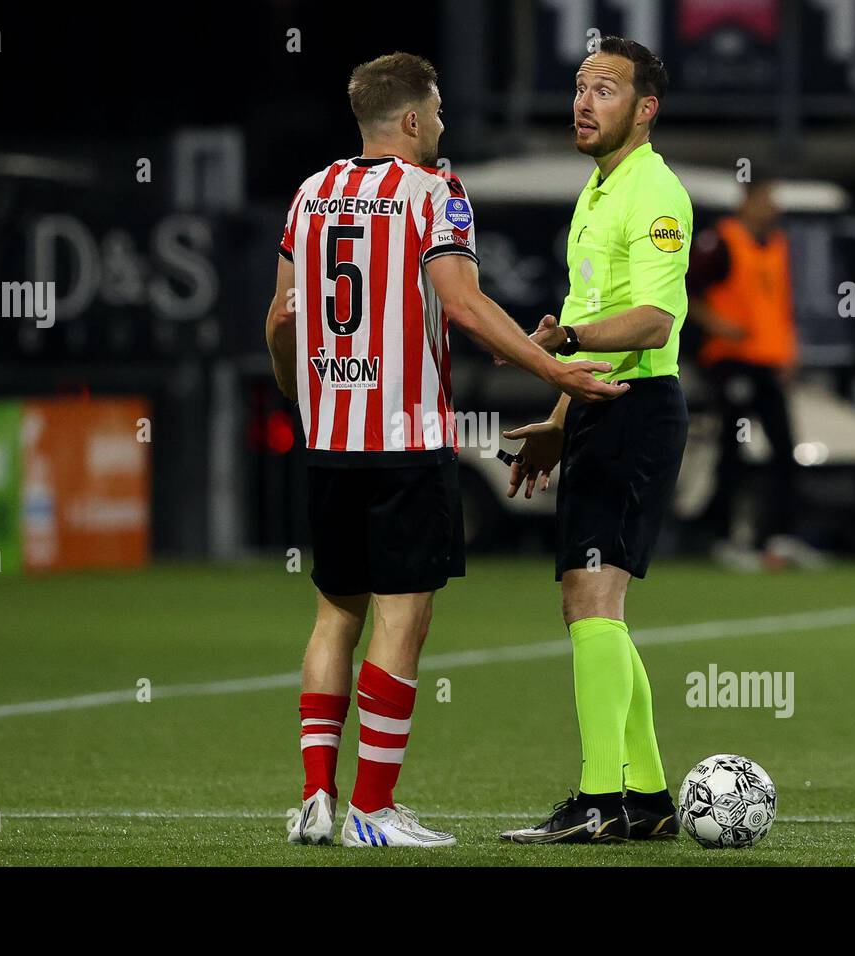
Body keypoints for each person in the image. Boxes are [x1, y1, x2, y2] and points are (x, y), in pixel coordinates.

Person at [265, 52, 622, 849]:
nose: (444, 128)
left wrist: (302, 394)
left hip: (328, 441)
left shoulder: (310, 193)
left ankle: (316, 798)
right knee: (404, 617)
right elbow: (460, 302)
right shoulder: (435, 193)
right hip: (405, 440)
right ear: (414, 120)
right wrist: (549, 367)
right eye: (438, 113)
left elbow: (279, 323)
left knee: (334, 615)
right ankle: (371, 811)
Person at [499, 37, 691, 844]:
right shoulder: (598, 189)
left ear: (645, 109)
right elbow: (608, 337)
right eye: (580, 87)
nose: (583, 102)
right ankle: (643, 797)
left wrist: (566, 340)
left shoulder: (655, 192)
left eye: (605, 90)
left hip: (637, 412)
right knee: (599, 604)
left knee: (591, 599)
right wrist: (555, 421)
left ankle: (597, 802)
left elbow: (652, 320)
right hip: (602, 410)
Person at [687, 180, 820, 571]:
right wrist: (716, 324)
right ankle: (727, 539)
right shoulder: (721, 241)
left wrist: (788, 352)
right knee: (733, 449)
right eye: (765, 199)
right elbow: (687, 290)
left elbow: (780, 305)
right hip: (732, 361)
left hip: (768, 362)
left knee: (784, 449)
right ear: (746, 201)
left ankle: (779, 538)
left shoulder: (777, 244)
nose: (772, 207)